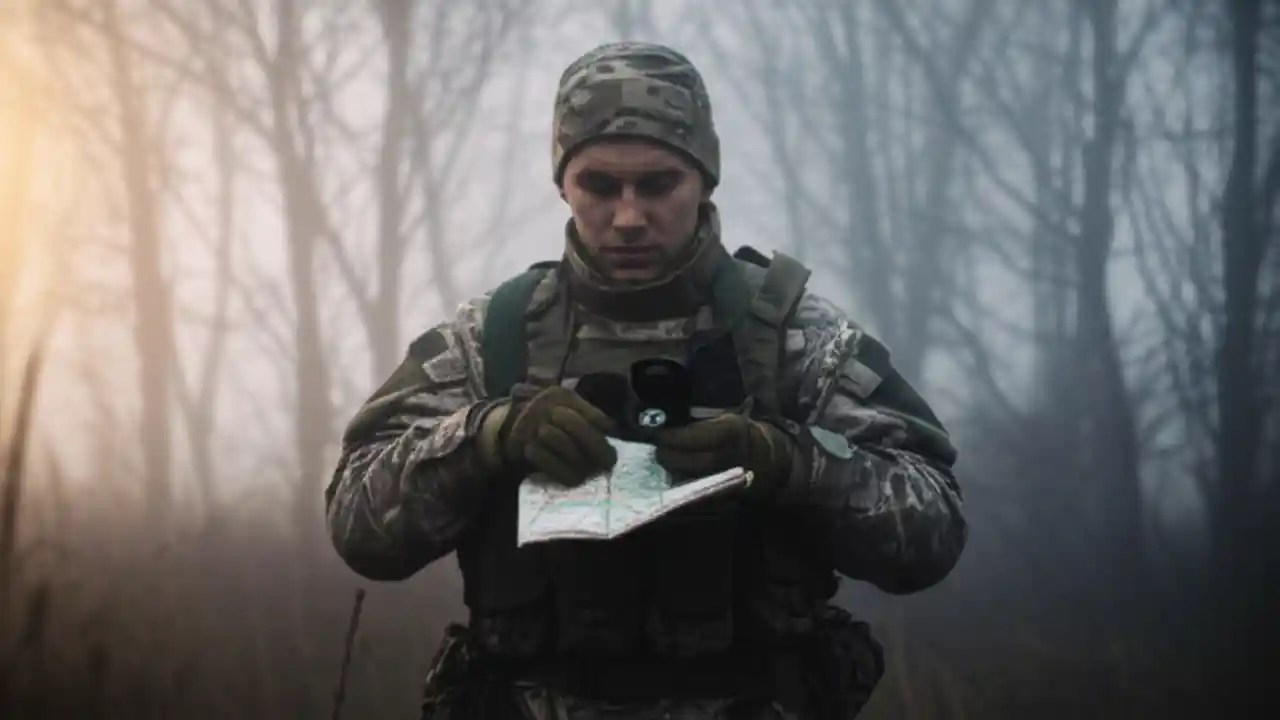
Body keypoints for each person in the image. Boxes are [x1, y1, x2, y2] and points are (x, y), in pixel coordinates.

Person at [326, 41, 967, 719]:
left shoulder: (791, 338)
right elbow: (359, 525)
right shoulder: (496, 338)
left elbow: (933, 528)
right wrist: (489, 438)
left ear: (704, 180)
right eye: (599, 186)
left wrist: (786, 461)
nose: (628, 217)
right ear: (563, 185)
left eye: (658, 184)